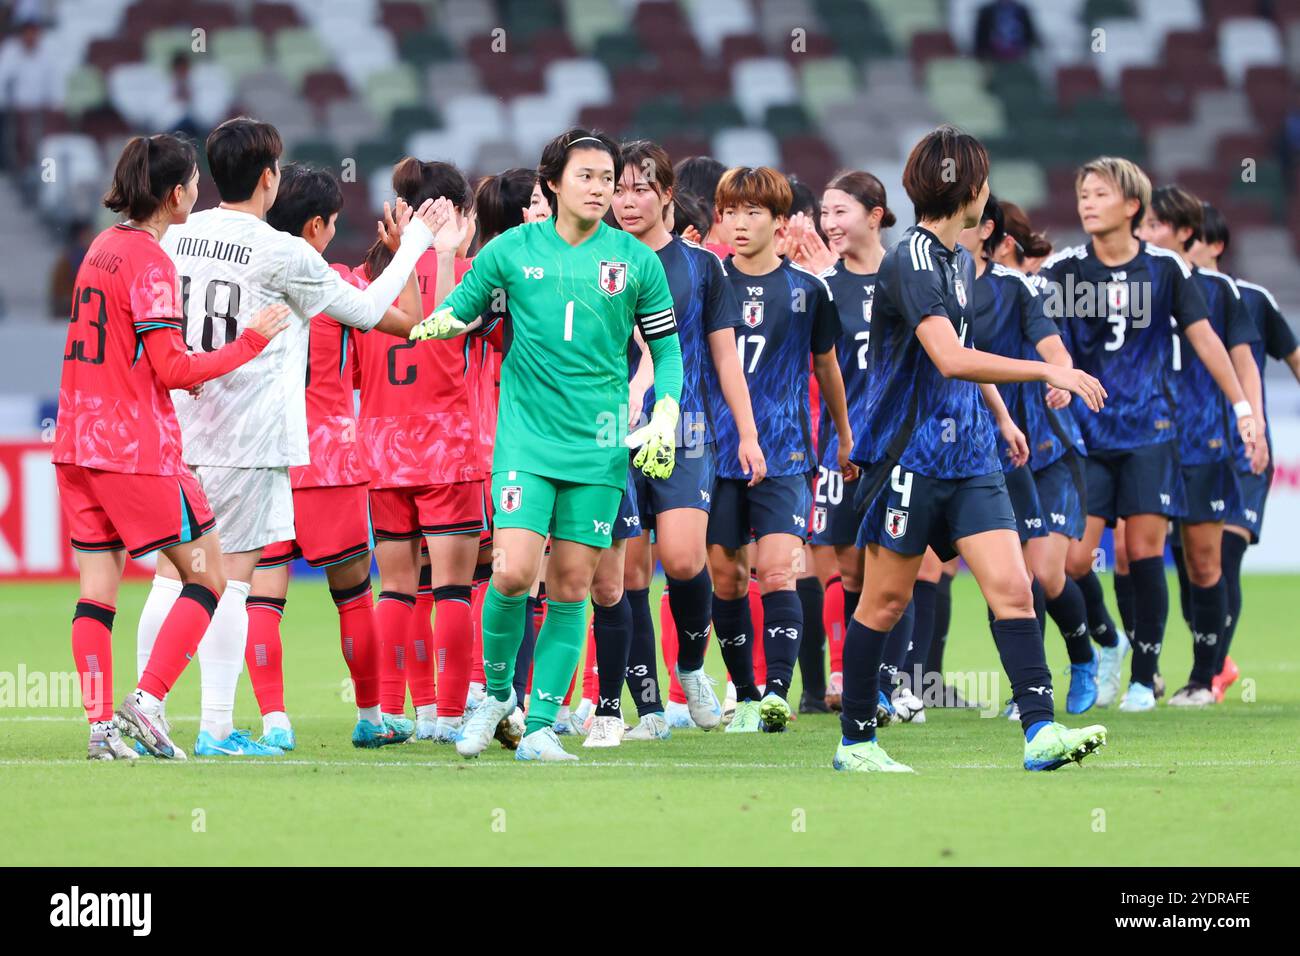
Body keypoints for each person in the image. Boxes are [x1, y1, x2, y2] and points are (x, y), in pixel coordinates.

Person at [135, 116, 443, 757]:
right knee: (231, 584)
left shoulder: (176, 238)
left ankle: (178, 713)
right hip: (251, 439)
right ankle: (209, 724)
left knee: (176, 578)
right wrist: (414, 246)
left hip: (180, 428)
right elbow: (372, 313)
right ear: (268, 177)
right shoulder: (282, 253)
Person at [836, 125, 1109, 774]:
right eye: (983, 179)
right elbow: (952, 358)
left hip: (971, 459)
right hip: (907, 459)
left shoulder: (959, 262)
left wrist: (998, 420)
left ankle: (1040, 733)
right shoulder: (911, 260)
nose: (988, 191)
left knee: (1013, 590)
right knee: (884, 602)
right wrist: (1046, 372)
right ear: (969, 190)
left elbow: (958, 368)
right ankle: (856, 743)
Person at [411, 128, 685, 763]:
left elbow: (666, 349)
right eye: (586, 176)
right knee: (508, 571)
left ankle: (538, 727)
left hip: (600, 443)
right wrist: (441, 319)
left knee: (570, 586)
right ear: (553, 183)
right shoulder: (511, 249)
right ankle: (496, 698)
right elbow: (465, 307)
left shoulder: (635, 261)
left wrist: (664, 409)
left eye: (607, 178)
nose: (601, 188)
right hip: (527, 440)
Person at [54, 133, 288, 759]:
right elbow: (175, 369)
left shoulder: (100, 248)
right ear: (174, 192)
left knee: (96, 591)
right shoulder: (152, 262)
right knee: (209, 572)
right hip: (133, 447)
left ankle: (101, 729)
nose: (198, 190)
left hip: (76, 442)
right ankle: (148, 701)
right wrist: (251, 342)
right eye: (191, 180)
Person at [1041, 157, 1260, 714]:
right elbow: (1048, 336)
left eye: (1099, 193)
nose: (1087, 202)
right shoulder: (1065, 271)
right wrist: (1061, 377)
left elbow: (1206, 341)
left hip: (1150, 433)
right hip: (1087, 437)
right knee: (1072, 562)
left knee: (1143, 553)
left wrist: (1241, 407)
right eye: (1082, 193)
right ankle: (1107, 643)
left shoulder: (1165, 270)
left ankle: (1144, 678)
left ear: (1132, 206)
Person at [591, 139, 764, 747]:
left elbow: (724, 354)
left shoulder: (702, 266)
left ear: (668, 194)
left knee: (688, 560)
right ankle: (649, 709)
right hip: (611, 434)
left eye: (641, 188)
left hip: (687, 429)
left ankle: (690, 667)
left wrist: (746, 431)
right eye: (618, 189)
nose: (626, 200)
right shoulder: (596, 259)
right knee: (628, 572)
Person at [243, 163, 412, 750]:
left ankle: (274, 722)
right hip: (329, 457)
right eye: (334, 224)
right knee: (352, 595)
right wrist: (404, 252)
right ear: (316, 227)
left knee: (264, 594)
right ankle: (369, 717)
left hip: (264, 452)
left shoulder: (249, 276)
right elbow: (397, 324)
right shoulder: (335, 282)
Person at [705, 165, 854, 734]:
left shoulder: (808, 290)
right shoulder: (709, 280)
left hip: (787, 454)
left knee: (778, 573)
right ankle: (742, 694)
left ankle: (774, 693)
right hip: (715, 454)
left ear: (779, 220)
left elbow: (828, 367)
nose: (740, 224)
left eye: (754, 213)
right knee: (725, 577)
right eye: (732, 212)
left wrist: (842, 434)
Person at [352, 158, 483, 744]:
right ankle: (450, 714)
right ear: (454, 213)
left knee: (398, 588)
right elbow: (454, 334)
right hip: (445, 443)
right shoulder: (471, 271)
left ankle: (391, 710)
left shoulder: (366, 274)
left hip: (381, 442)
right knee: (453, 588)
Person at [960, 196, 1099, 715]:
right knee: (1011, 577)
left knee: (1046, 573)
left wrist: (1059, 375)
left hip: (1043, 445)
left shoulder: (1016, 287)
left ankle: (1083, 653)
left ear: (986, 228)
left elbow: (1053, 345)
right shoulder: (931, 282)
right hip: (981, 451)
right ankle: (1029, 692)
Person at [1137, 186, 1265, 707]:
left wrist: (1248, 420)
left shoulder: (1219, 291)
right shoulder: (1129, 283)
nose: (1144, 233)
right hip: (1143, 440)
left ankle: (1204, 677)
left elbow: (1244, 361)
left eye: (1155, 225)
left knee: (1204, 564)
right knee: (1131, 555)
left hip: (1202, 441)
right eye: (1142, 223)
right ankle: (1144, 673)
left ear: (1184, 233)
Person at [1194, 203, 1300, 700]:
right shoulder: (1169, 293)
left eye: (1191, 241)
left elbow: (1293, 355)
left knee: (1226, 554)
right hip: (1191, 447)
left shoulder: (1252, 299)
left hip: (1245, 448)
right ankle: (1218, 658)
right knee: (1194, 564)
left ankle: (1210, 672)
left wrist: (1253, 422)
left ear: (1214, 244)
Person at [804, 170, 890, 715]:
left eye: (842, 212)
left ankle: (886, 684)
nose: (830, 223)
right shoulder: (822, 283)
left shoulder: (906, 276)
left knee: (893, 567)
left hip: (896, 445)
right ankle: (827, 687)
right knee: (845, 567)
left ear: (875, 215)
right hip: (840, 447)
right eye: (825, 213)